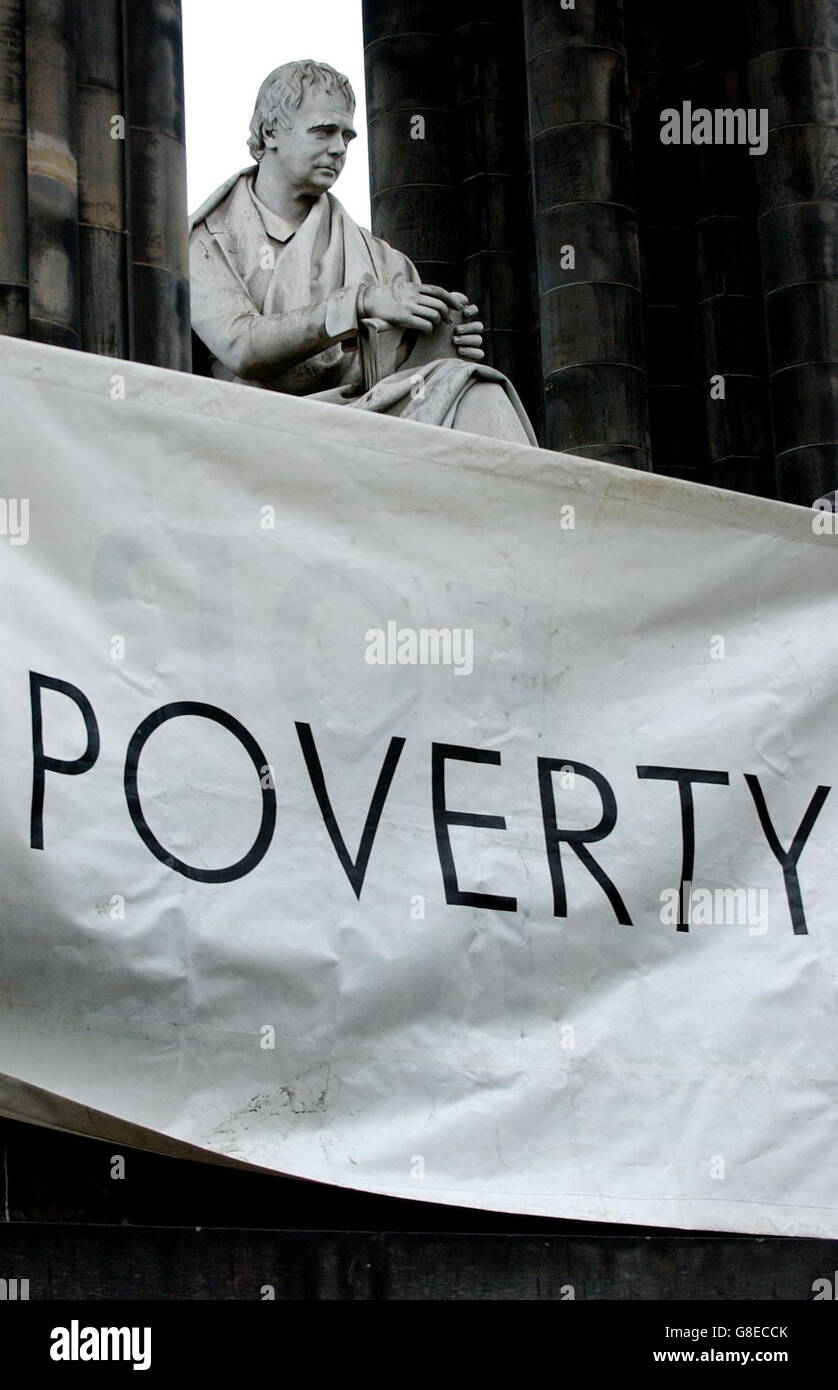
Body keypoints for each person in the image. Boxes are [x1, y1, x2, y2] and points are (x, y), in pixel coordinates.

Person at [189, 59, 536, 445]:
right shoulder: (210, 238)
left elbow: (403, 382)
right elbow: (241, 347)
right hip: (254, 430)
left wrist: (439, 349)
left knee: (477, 388)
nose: (338, 149)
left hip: (363, 423)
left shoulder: (383, 260)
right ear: (271, 132)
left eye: (346, 137)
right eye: (323, 132)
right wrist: (357, 305)